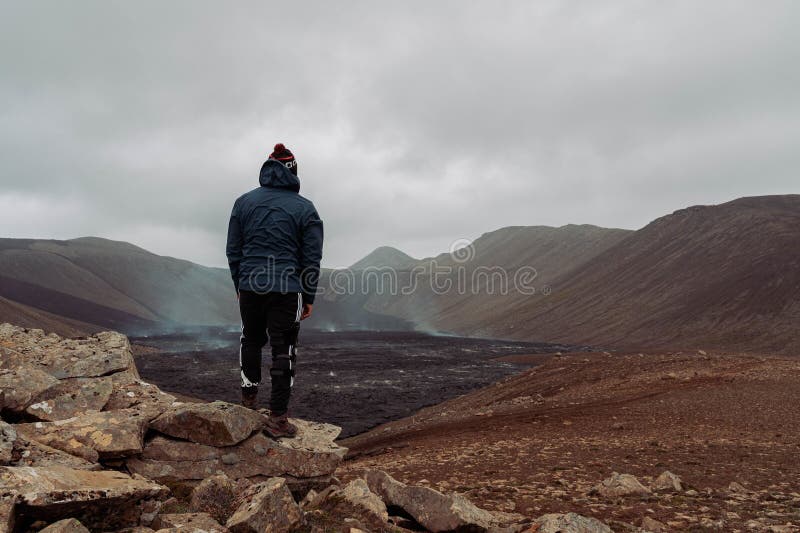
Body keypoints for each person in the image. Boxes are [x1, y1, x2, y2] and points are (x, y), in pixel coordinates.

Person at [226, 143, 323, 438]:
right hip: (287, 289)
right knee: (285, 349)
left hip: (250, 285)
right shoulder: (305, 208)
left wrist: (239, 285)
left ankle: (248, 403)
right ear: (293, 172)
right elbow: (311, 258)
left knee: (250, 339)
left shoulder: (243, 203)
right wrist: (308, 297)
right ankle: (278, 419)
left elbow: (233, 250)